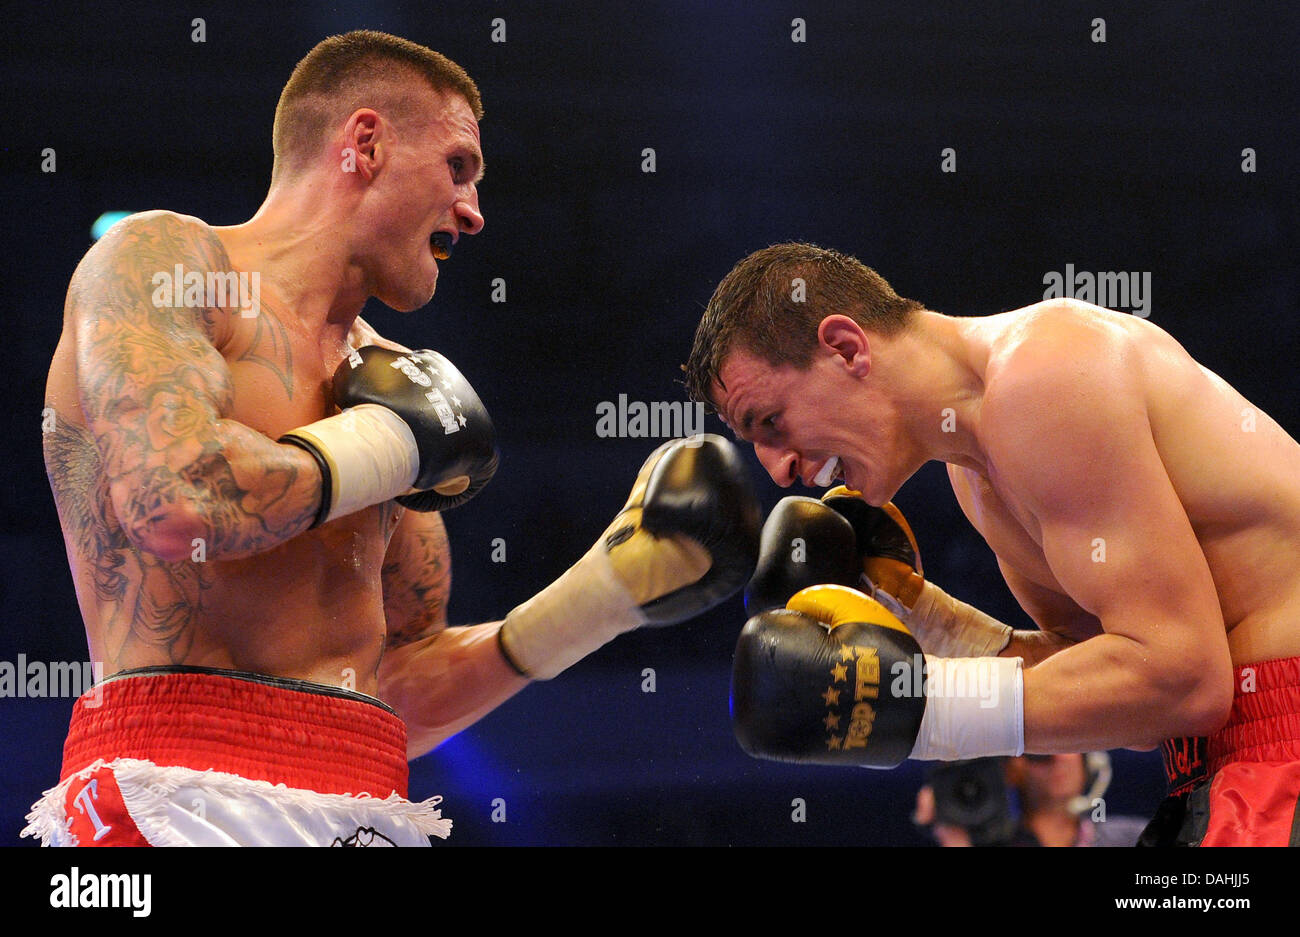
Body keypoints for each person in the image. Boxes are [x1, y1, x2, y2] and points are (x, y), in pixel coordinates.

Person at [25, 30, 760, 847]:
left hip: (364, 798)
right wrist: (388, 444)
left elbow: (395, 683)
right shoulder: (167, 259)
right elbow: (173, 496)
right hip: (173, 790)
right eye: (458, 168)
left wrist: (603, 597)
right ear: (365, 144)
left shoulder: (389, 378)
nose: (474, 212)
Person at [686, 242, 1300, 846]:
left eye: (769, 422)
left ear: (846, 348)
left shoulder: (1046, 375)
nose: (778, 470)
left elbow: (1186, 681)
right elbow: (1130, 697)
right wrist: (922, 619)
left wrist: (914, 713)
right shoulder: (976, 475)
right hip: (1222, 770)